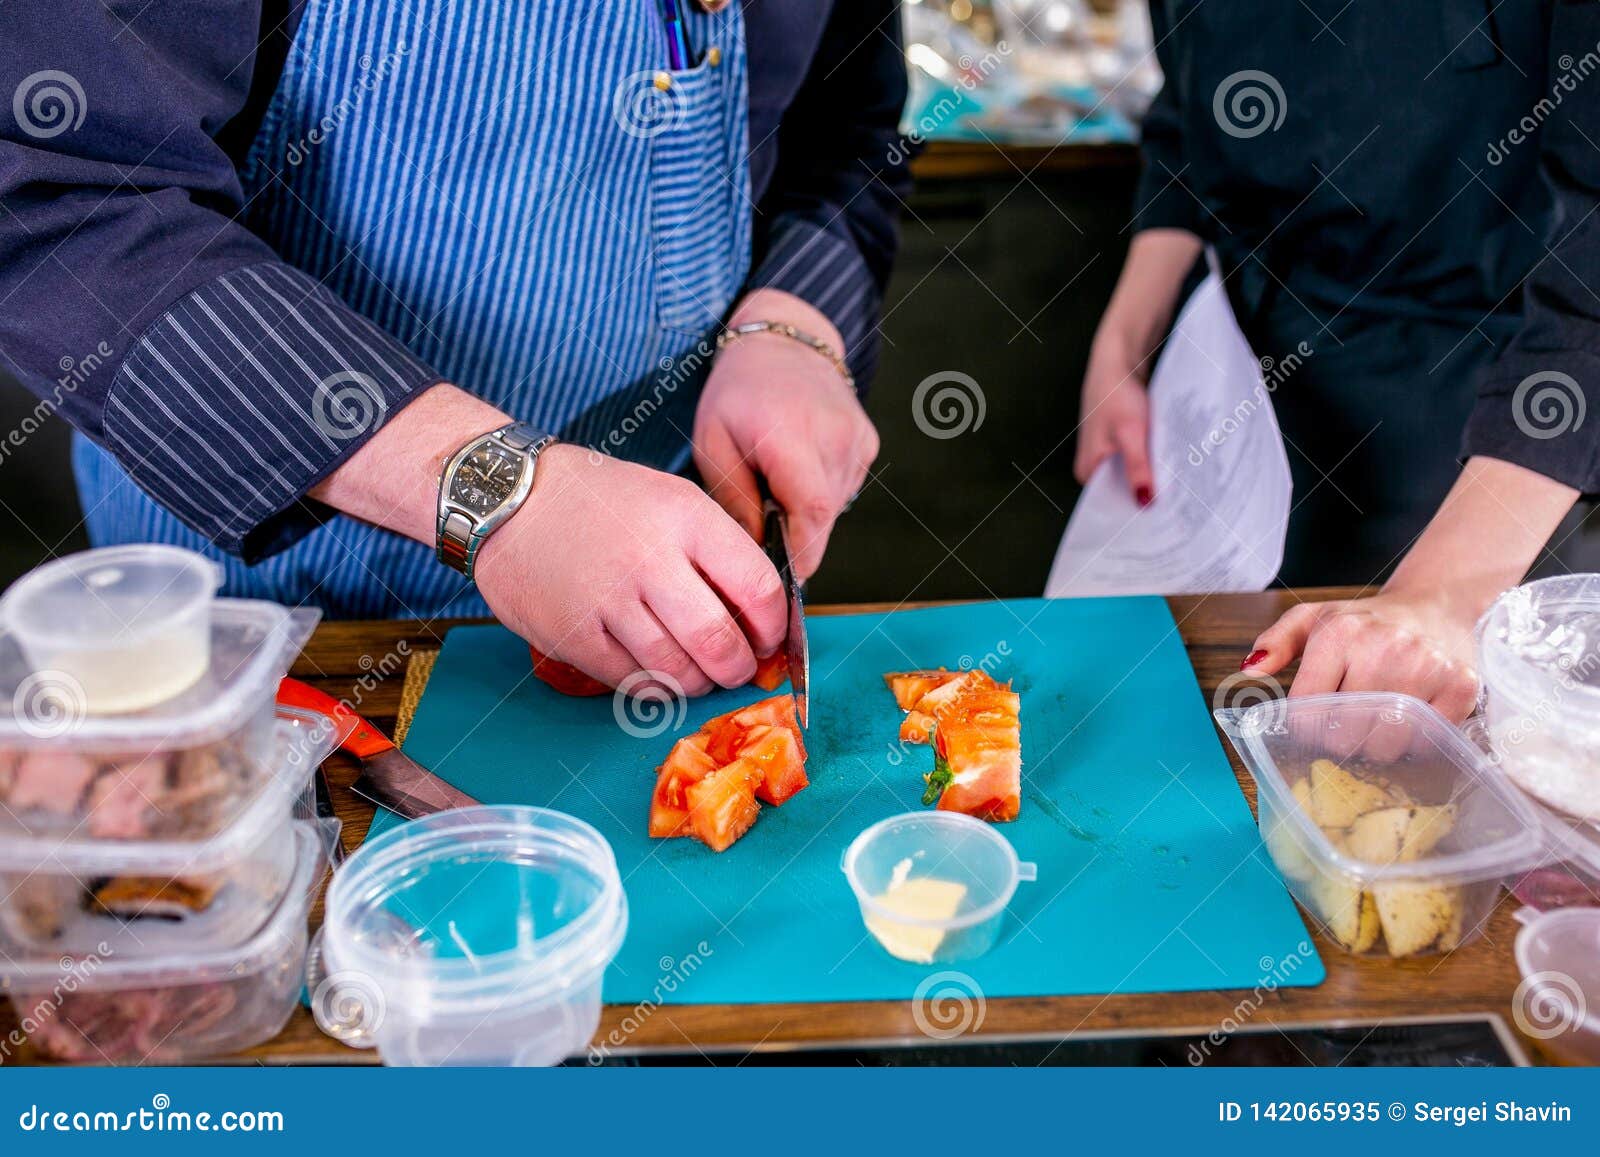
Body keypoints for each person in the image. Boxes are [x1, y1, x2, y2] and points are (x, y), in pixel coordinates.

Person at [0, 1, 908, 698]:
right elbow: (53, 191)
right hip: (284, 637)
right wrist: (502, 489)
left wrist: (795, 325)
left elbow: (848, 132)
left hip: (653, 619)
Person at [1074, 2, 1600, 717]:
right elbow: (1185, 128)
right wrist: (1123, 347)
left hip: (1484, 443)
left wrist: (1446, 592)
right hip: (1242, 394)